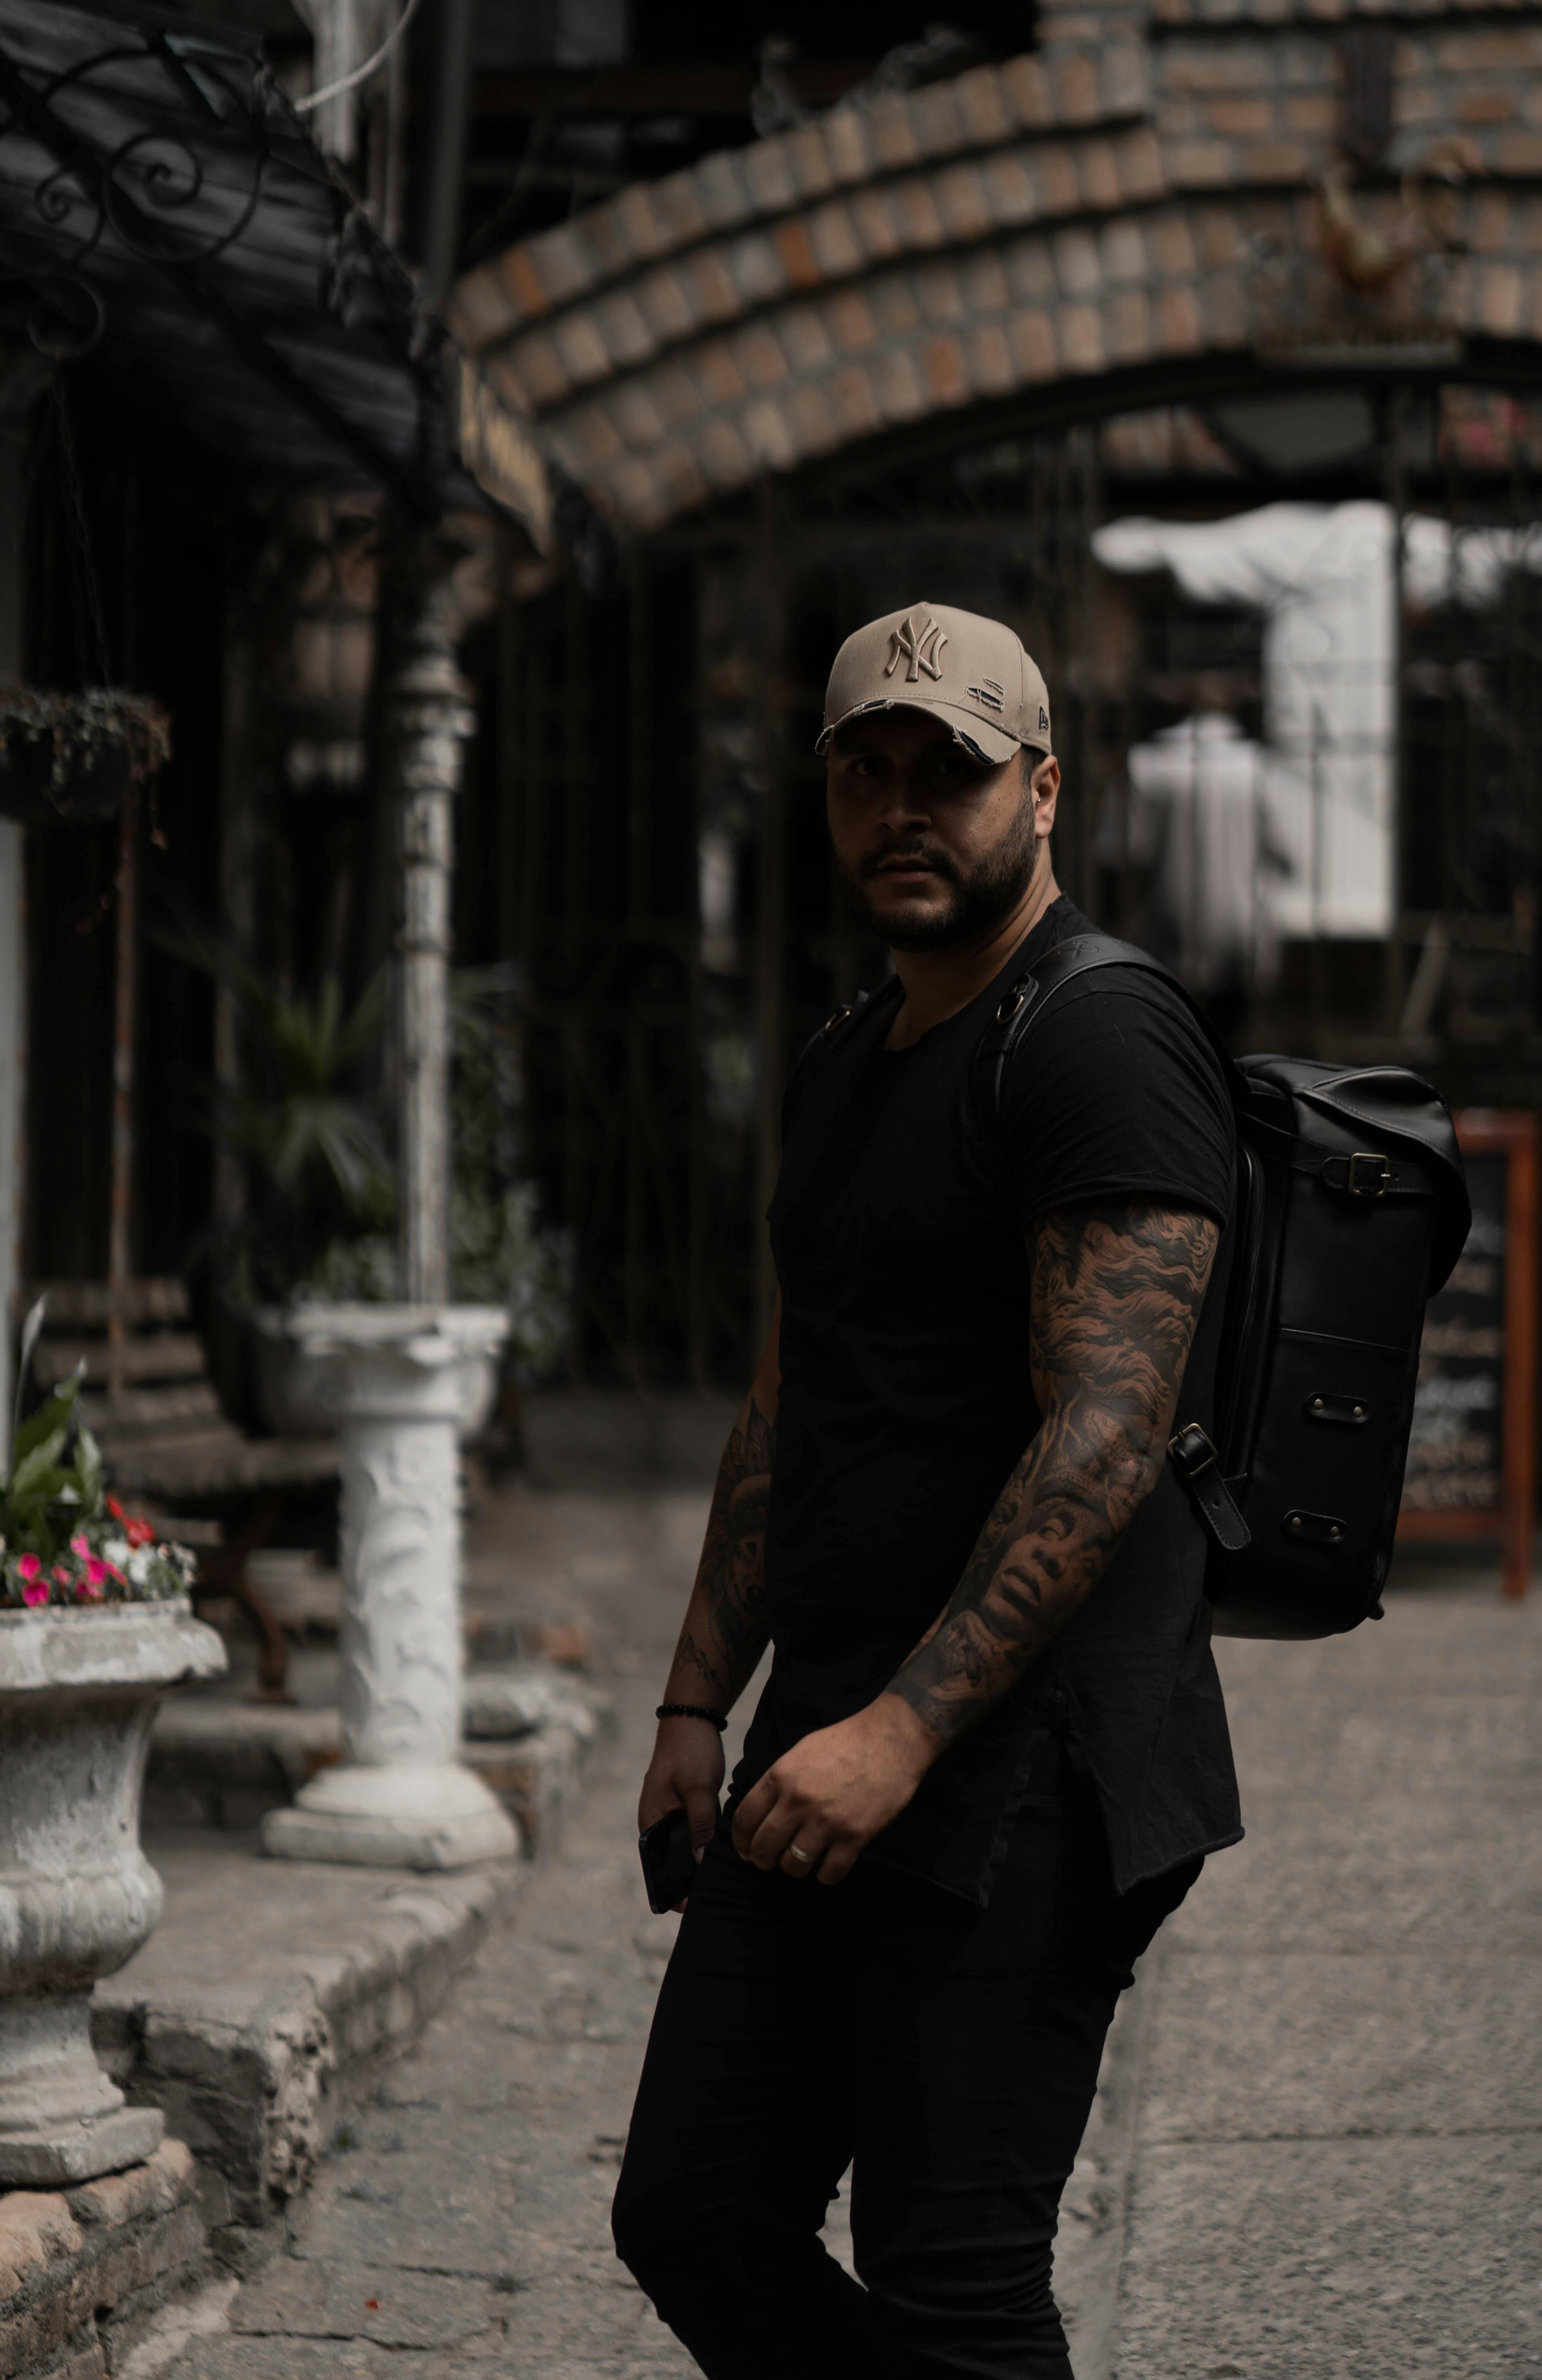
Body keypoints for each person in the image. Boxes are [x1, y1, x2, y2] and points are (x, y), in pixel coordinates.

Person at [612, 602, 1242, 2380]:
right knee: (693, 2206)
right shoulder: (842, 1057)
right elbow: (788, 1390)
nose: (904, 808)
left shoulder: (1099, 1041)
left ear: (1042, 792)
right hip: (826, 1719)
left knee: (952, 2279)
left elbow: (1106, 1433)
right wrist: (688, 1697)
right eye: (867, 772)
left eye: (948, 775)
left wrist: (899, 1735)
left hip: (1030, 1764)